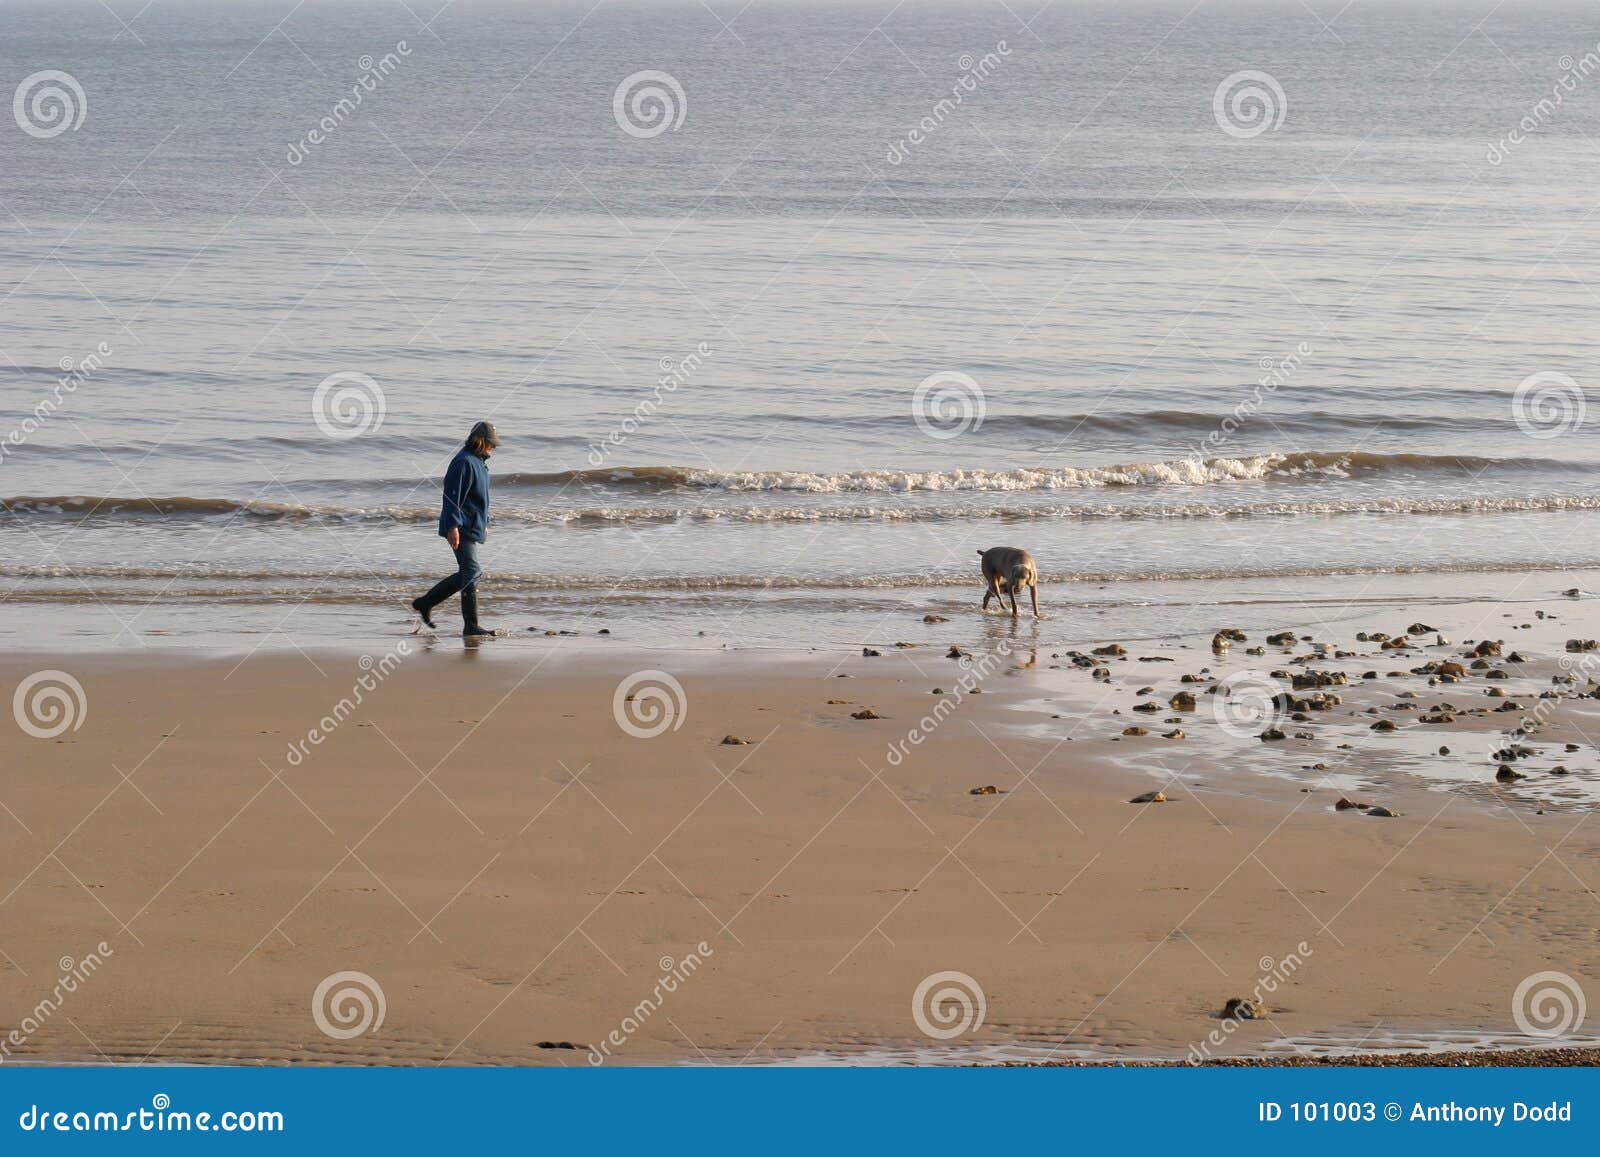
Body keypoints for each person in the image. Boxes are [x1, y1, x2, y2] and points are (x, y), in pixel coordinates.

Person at [412, 420, 499, 638]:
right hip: (460, 525)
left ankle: (425, 602)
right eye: (491, 443)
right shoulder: (464, 462)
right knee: (472, 572)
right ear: (481, 442)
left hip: (472, 524)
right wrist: (452, 526)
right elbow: (452, 497)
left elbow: (481, 499)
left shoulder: (480, 463)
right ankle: (470, 625)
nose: (494, 448)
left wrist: (485, 522)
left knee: (469, 573)